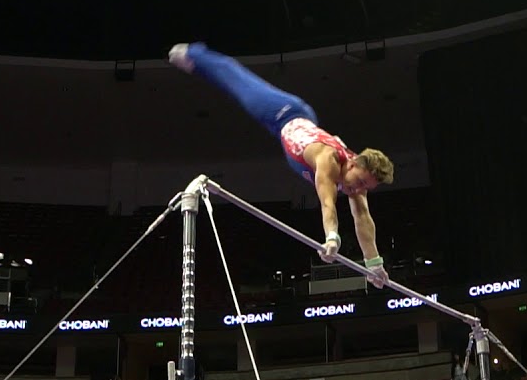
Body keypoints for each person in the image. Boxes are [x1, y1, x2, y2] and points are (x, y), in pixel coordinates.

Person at [169, 43, 395, 285]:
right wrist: (332, 238)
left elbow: (363, 219)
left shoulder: (356, 182)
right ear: (351, 164)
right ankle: (194, 54)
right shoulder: (327, 160)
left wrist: (374, 264)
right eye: (360, 182)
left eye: (365, 187)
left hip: (300, 123)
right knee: (237, 82)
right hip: (282, 114)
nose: (358, 189)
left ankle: (199, 61)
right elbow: (327, 204)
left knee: (360, 208)